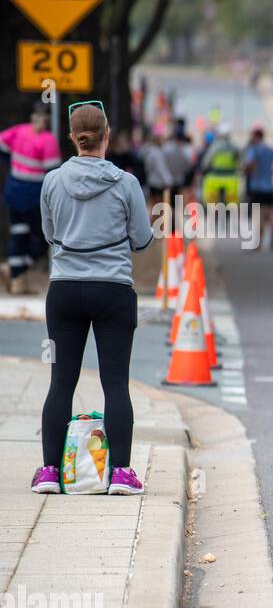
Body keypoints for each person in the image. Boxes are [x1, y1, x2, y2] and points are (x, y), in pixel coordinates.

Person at [32, 102, 153, 495]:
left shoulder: (52, 181)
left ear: (72, 137)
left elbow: (50, 235)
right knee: (116, 383)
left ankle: (50, 471)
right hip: (114, 291)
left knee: (60, 381)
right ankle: (120, 473)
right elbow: (140, 240)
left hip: (64, 291)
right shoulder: (126, 183)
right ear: (108, 135)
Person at [1, 102, 61, 294]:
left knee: (19, 234)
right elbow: (54, 174)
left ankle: (17, 279)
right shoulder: (48, 140)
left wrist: (10, 161)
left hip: (13, 192)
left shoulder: (19, 131)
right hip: (33, 197)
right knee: (44, 238)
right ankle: (16, 272)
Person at [243, 125, 273, 251]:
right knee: (271, 212)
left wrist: (248, 170)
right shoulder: (270, 149)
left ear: (255, 136)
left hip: (257, 187)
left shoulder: (253, 150)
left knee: (258, 216)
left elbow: (249, 164)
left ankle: (258, 243)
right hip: (269, 187)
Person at [199, 123, 241, 204]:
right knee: (232, 201)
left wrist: (203, 169)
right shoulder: (233, 147)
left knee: (211, 199)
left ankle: (213, 211)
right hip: (231, 178)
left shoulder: (214, 147)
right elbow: (239, 162)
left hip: (215, 177)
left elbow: (206, 161)